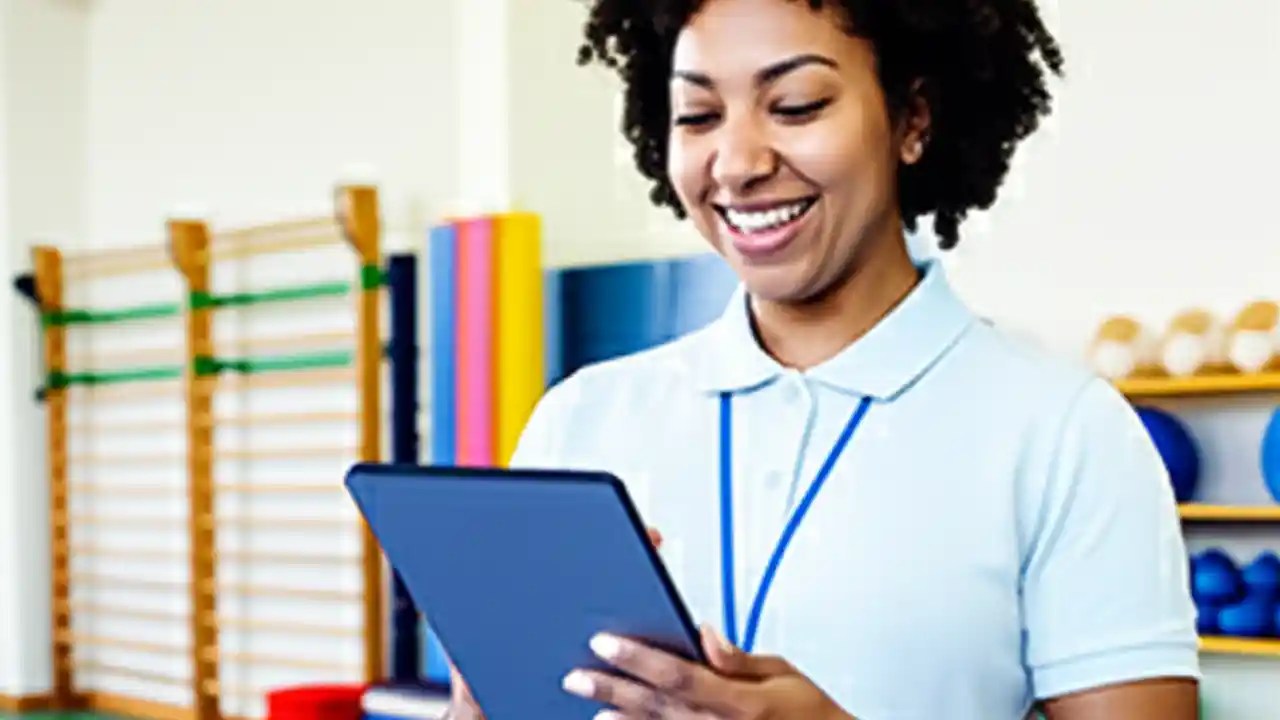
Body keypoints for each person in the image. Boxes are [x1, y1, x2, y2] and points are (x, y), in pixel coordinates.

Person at [443, 0, 1201, 717]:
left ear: (913, 119)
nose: (736, 163)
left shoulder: (1065, 433)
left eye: (797, 105)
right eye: (699, 115)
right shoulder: (582, 418)